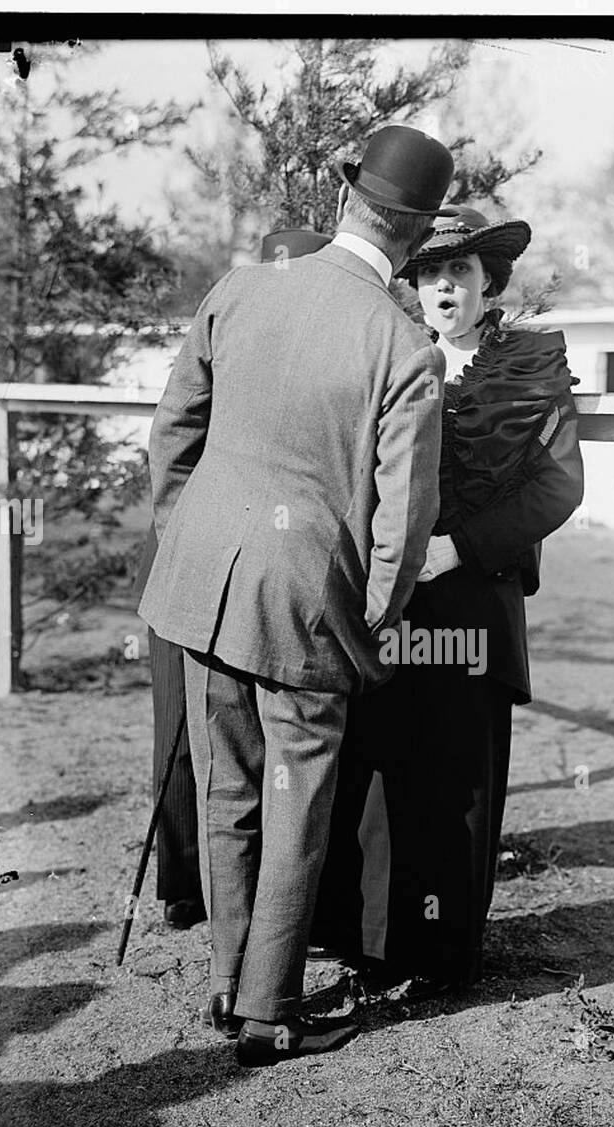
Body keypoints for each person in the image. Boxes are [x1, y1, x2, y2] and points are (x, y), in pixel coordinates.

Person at [138, 126, 454, 1064]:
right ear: (421, 231)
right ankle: (269, 1013)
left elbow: (171, 436)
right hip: (305, 602)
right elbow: (402, 520)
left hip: (203, 582)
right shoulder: (404, 346)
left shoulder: (241, 287)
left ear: (348, 194)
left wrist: (189, 541)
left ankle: (230, 984)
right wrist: (373, 612)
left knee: (227, 785)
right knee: (294, 798)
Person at [312, 206, 584, 998]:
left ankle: (441, 956)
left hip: (471, 599)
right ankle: (371, 944)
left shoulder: (531, 363)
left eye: (459, 273)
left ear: (487, 281)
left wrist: (457, 548)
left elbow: (558, 484)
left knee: (456, 779)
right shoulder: (396, 355)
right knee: (381, 765)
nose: (443, 287)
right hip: (392, 596)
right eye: (430, 273)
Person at [132, 228, 331, 932]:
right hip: (202, 563)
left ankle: (242, 949)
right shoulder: (238, 329)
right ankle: (194, 899)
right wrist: (180, 529)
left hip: (237, 567)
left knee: (245, 764)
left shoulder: (308, 345)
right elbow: (175, 432)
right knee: (198, 750)